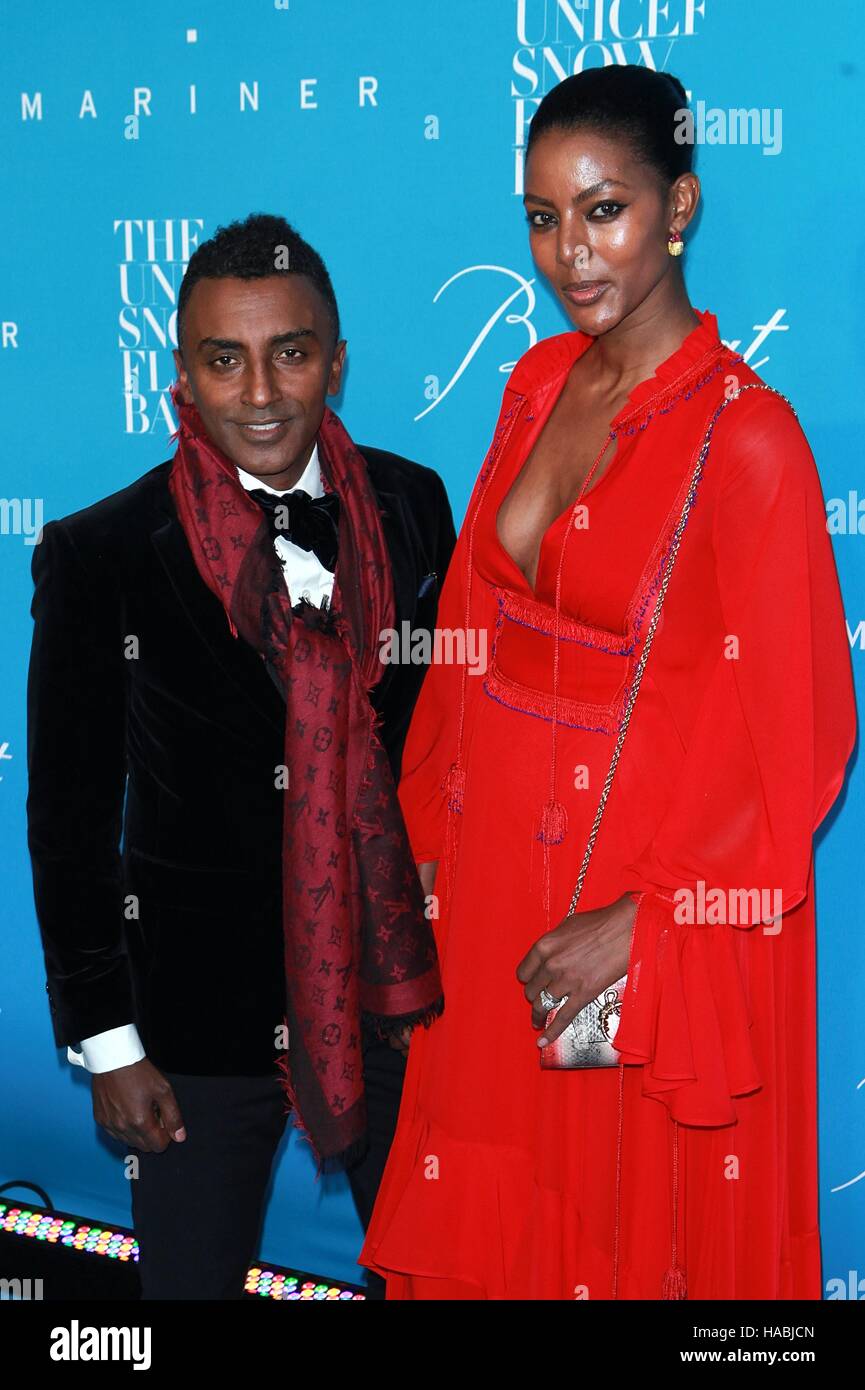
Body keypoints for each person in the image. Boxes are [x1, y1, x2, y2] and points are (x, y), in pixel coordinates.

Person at [358, 67, 857, 1300]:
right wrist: (417, 847)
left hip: (626, 896)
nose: (569, 252)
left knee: (618, 1233)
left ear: (679, 203)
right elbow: (468, 632)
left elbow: (798, 740)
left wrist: (653, 918)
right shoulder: (534, 383)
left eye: (603, 210)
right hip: (484, 892)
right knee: (485, 1208)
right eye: (541, 216)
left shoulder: (748, 437)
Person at [26, 213, 455, 1300]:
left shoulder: (411, 505)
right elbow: (69, 820)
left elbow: (444, 746)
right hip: (191, 1034)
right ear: (181, 375)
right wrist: (108, 1042)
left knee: (439, 1279)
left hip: (394, 1001)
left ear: (337, 361)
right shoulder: (103, 552)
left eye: (291, 353)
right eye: (225, 359)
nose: (260, 393)